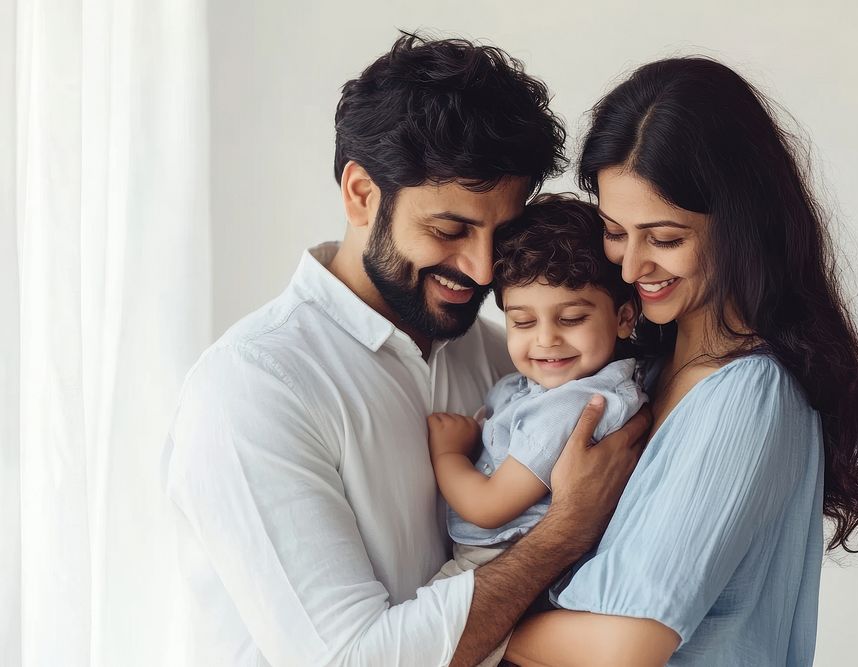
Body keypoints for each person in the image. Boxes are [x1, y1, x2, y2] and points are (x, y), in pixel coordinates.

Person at [161, 34, 647, 667]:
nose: (479, 271)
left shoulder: (508, 359)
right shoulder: (251, 390)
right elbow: (352, 660)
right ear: (362, 194)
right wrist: (564, 532)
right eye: (449, 230)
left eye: (499, 236)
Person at [504, 57, 858, 666]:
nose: (631, 268)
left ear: (741, 225)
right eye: (613, 230)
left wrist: (460, 622)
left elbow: (627, 647)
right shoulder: (638, 371)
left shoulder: (751, 396)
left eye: (665, 239)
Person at [428, 195, 646, 576]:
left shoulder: (574, 406)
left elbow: (489, 506)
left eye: (572, 318)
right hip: (502, 557)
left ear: (624, 317)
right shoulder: (549, 388)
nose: (546, 340)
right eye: (524, 322)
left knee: (424, 632)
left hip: (501, 561)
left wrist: (448, 455)